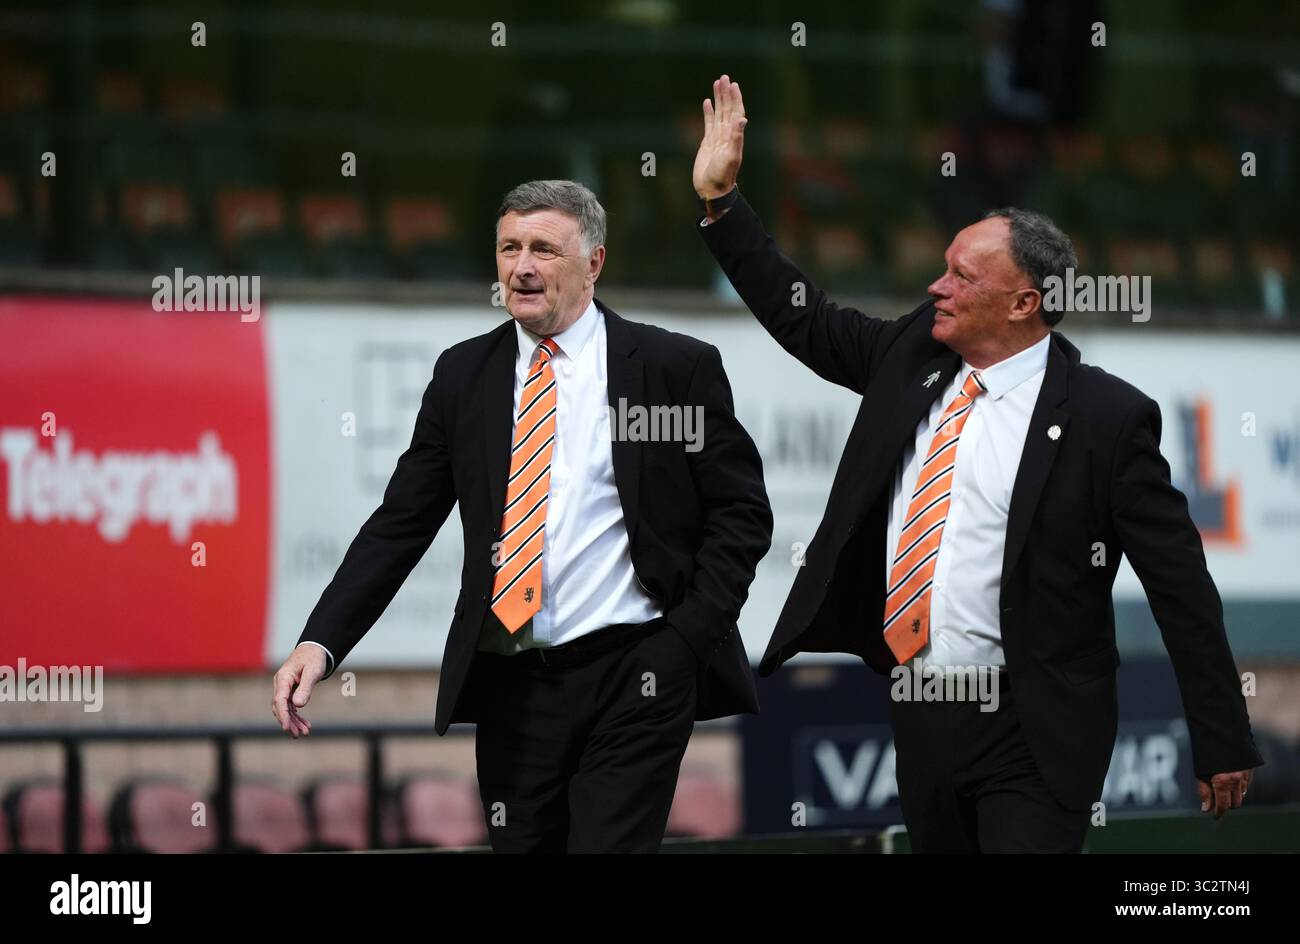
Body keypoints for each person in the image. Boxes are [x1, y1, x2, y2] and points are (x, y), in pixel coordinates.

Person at [692, 75, 1261, 853]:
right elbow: (808, 321)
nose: (937, 286)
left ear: (1026, 303)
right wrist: (726, 207)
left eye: (962, 275)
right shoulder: (910, 355)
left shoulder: (1106, 418)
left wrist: (1221, 735)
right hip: (923, 708)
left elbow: (1180, 585)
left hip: (1036, 727)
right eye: (944, 267)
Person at [271, 179, 773, 853]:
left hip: (636, 671)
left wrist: (684, 640)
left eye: (543, 248)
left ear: (593, 262)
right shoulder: (462, 377)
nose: (523, 266)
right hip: (513, 684)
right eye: (509, 248)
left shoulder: (669, 368)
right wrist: (321, 641)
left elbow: (741, 513)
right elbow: (402, 522)